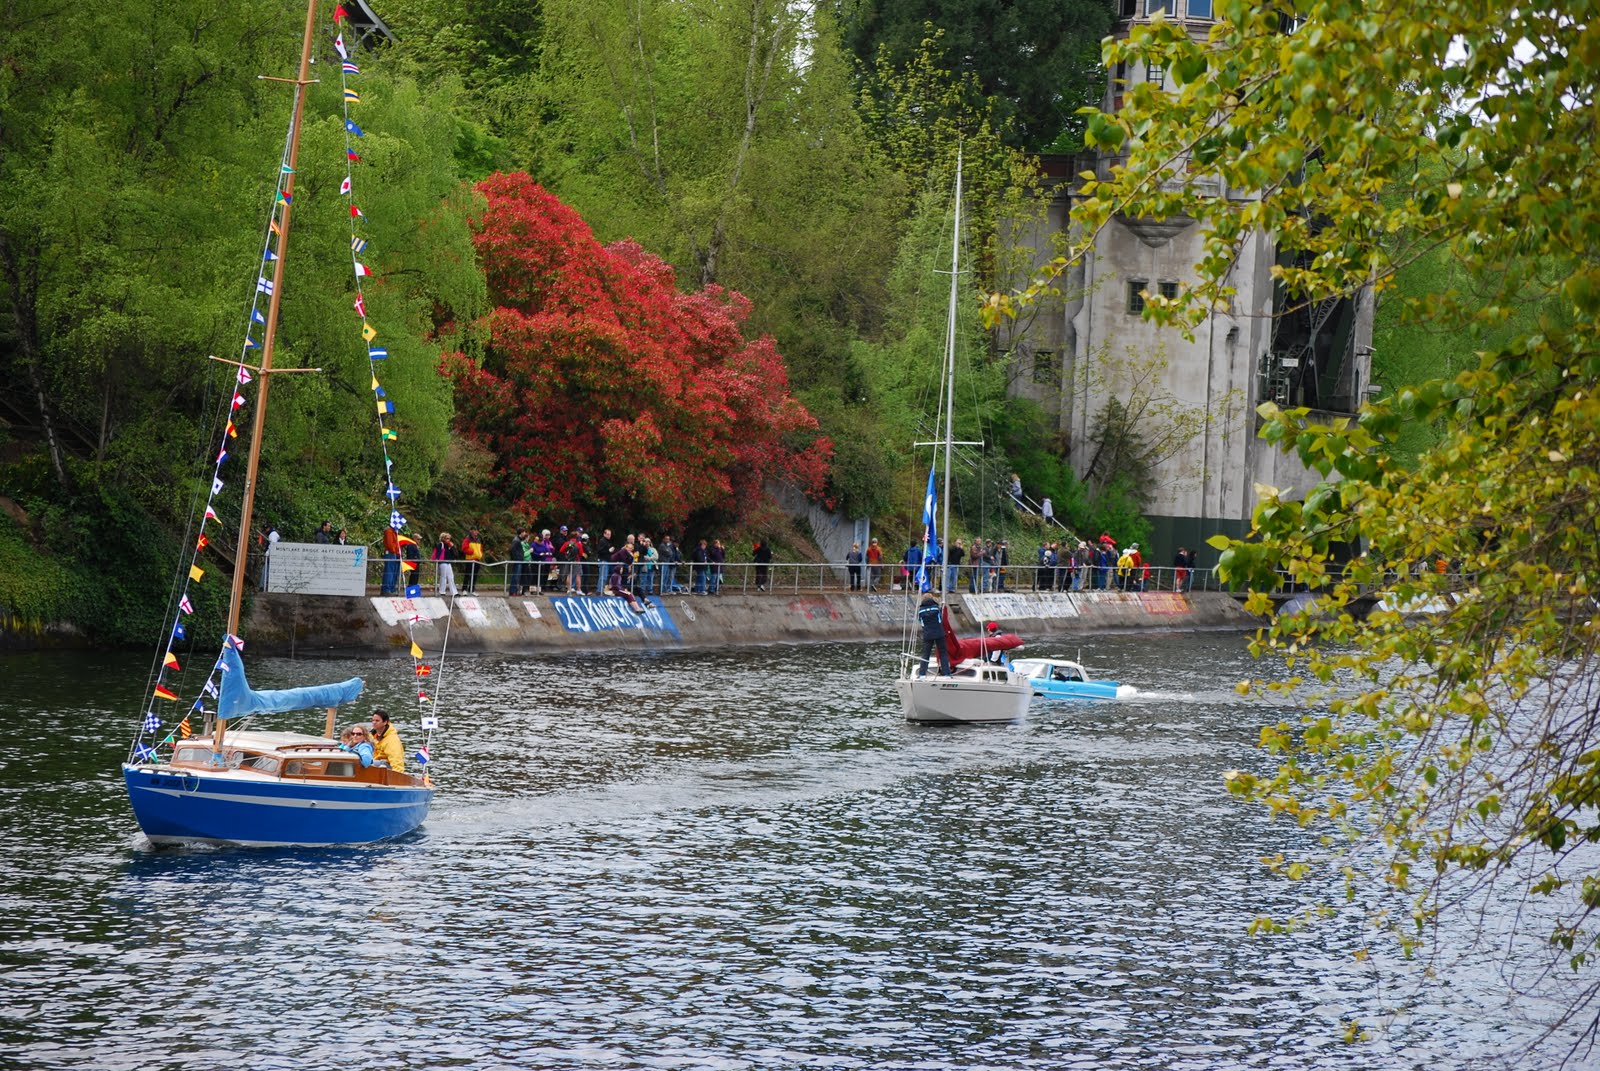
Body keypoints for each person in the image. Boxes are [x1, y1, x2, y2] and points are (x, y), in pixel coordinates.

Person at [916, 595, 951, 677]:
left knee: (925, 654)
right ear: (932, 599)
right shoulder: (936, 608)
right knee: (943, 653)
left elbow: (921, 622)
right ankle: (947, 673)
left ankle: (922, 674)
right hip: (939, 633)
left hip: (927, 634)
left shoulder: (920, 611)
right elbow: (941, 619)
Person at [434, 532, 459, 596]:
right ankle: (442, 591)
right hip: (442, 562)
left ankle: (454, 592)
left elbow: (455, 554)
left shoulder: (449, 546)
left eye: (449, 539)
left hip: (448, 562)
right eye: (447, 538)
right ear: (443, 538)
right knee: (443, 576)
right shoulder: (440, 544)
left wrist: (452, 547)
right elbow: (438, 553)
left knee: (451, 577)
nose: (448, 540)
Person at [380, 524, 401, 596]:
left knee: (393, 572)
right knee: (389, 572)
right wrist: (395, 550)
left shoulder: (393, 531)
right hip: (390, 553)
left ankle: (391, 588)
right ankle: (387, 589)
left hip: (393, 553)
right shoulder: (389, 531)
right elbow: (390, 544)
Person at [462, 528, 484, 593]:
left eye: (477, 530)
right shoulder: (467, 539)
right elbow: (464, 548)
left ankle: (471, 589)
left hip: (477, 559)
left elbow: (481, 548)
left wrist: (480, 554)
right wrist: (471, 552)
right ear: (471, 531)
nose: (476, 531)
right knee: (468, 575)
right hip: (470, 559)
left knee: (475, 575)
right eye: (474, 530)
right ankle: (464, 589)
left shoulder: (478, 539)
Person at [259, 522, 279, 591]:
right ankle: (263, 586)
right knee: (266, 571)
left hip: (272, 556)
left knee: (265, 571)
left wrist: (268, 552)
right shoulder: (272, 534)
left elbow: (273, 545)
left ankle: (263, 586)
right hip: (273, 556)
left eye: (266, 529)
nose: (265, 530)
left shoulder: (273, 534)